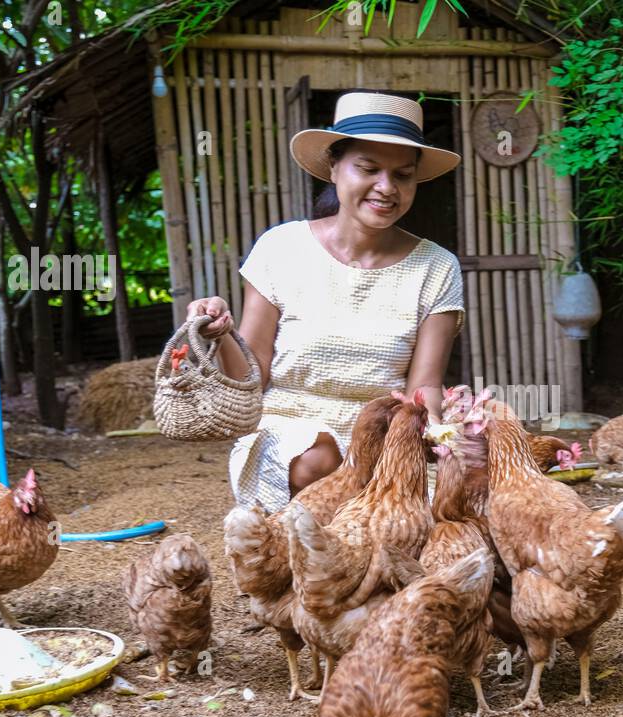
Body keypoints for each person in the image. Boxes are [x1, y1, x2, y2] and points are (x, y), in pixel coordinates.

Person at [184, 92, 464, 510]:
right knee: (318, 460)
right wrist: (222, 334)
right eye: (368, 169)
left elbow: (423, 387)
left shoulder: (437, 267)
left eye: (402, 175)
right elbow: (252, 376)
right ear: (334, 167)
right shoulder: (281, 248)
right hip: (289, 429)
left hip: (385, 433)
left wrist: (440, 439)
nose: (386, 188)